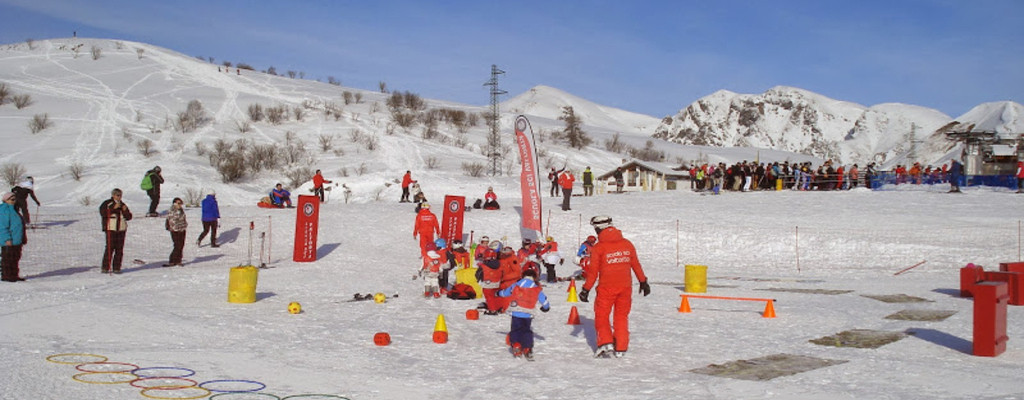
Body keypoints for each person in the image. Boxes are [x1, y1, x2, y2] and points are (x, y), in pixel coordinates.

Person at [579, 215, 650, 358]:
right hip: (625, 287)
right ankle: (621, 347)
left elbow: (593, 272)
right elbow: (635, 264)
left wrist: (586, 289)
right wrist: (643, 281)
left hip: (606, 288)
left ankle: (605, 343)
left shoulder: (599, 247)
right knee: (621, 316)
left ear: (599, 229)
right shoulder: (627, 244)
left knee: (602, 315)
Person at [496, 266, 550, 360]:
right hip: (528, 313)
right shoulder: (536, 288)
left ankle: (516, 344)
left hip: (516, 311)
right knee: (526, 330)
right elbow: (544, 300)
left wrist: (498, 293)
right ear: (535, 277)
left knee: (515, 329)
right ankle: (527, 348)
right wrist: (546, 307)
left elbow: (506, 292)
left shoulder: (516, 285)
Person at [99, 188, 132, 274]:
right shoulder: (107, 203)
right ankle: (105, 267)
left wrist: (125, 211)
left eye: (120, 195)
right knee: (110, 248)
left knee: (119, 249)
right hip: (111, 228)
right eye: (118, 195)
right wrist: (113, 208)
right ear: (113, 195)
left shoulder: (123, 204)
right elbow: (103, 213)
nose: (119, 197)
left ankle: (117, 267)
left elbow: (129, 217)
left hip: (121, 228)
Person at [0, 192, 25, 282]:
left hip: (17, 239)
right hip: (9, 241)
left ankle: (14, 275)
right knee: (8, 259)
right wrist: (7, 239)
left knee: (15, 258)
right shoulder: (4, 210)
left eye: (15, 199)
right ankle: (7, 276)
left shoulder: (14, 209)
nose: (14, 201)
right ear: (5, 200)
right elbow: (2, 226)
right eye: (12, 199)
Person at [164, 197, 187, 266]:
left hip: (182, 229)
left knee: (181, 245)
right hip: (175, 230)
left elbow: (183, 219)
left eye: (181, 203)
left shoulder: (181, 210)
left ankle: (178, 260)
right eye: (179, 203)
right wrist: (177, 227)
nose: (180, 205)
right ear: (175, 203)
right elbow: (173, 221)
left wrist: (184, 225)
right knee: (177, 245)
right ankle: (172, 260)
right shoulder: (172, 210)